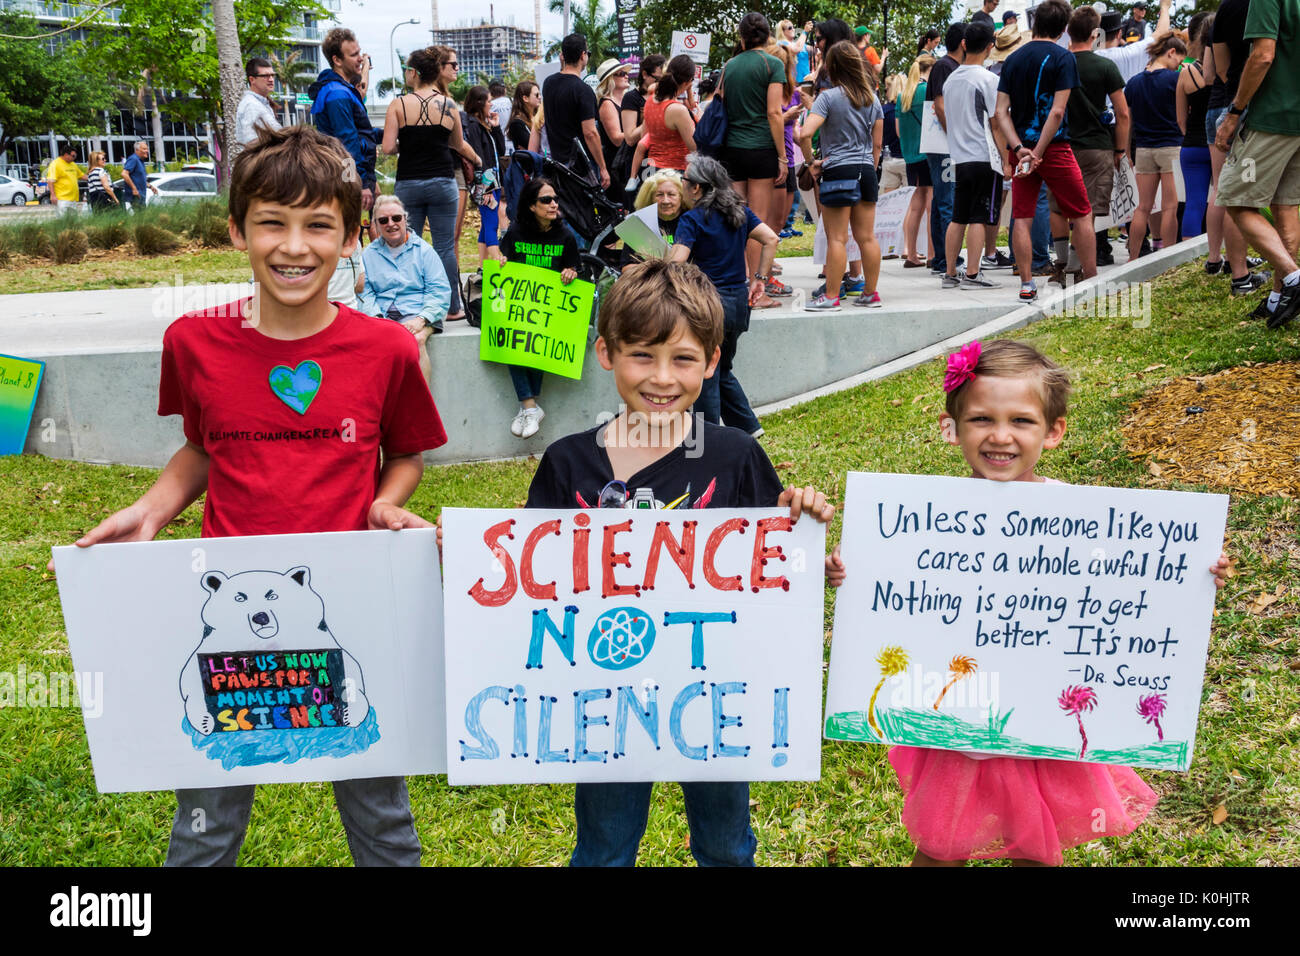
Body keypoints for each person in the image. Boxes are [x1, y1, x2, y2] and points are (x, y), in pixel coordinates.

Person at [59, 125, 447, 867]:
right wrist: (150, 509)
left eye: (317, 226)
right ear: (238, 228)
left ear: (352, 235)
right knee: (206, 818)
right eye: (272, 221)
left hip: (350, 612)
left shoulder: (389, 351)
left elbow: (405, 456)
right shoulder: (193, 341)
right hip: (231, 619)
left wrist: (387, 502)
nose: (293, 246)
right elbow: (205, 447)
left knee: (380, 815)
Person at [523, 256, 836, 866]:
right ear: (605, 353)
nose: (662, 377)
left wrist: (806, 536)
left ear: (713, 361)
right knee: (604, 848)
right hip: (604, 696)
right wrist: (478, 549)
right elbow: (529, 579)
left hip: (717, 697)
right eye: (642, 354)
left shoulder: (736, 454)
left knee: (726, 847)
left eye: (684, 358)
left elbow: (775, 569)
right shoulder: (567, 462)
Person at [876, 338, 1227, 866]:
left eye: (1021, 420)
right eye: (980, 420)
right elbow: (895, 593)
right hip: (959, 727)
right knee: (939, 847)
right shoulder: (926, 521)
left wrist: (1192, 572)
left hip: (1047, 729)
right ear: (951, 428)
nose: (1000, 436)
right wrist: (849, 572)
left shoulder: (1078, 519)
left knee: (1037, 850)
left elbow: (1131, 587)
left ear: (1053, 431)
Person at [994, 0, 1097, 303]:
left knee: (1022, 216)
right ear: (1064, 28)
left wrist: (1020, 149)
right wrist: (1038, 150)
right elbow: (1057, 112)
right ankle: (1091, 281)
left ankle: (1027, 284)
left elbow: (1001, 112)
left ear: (1035, 22)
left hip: (1021, 149)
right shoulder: (1063, 58)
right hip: (1054, 148)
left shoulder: (1012, 59)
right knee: (1082, 213)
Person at [669, 153, 775, 436]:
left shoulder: (692, 219)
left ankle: (708, 436)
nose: (681, 184)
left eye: (684, 180)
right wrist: (759, 279)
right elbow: (771, 239)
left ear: (697, 188)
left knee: (706, 371)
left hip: (709, 305)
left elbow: (677, 262)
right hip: (738, 302)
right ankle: (749, 428)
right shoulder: (739, 213)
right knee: (722, 368)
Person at [1214, 0, 1300, 328]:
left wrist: (1234, 112)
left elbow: (1263, 54)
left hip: (1271, 119)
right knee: (1286, 206)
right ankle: (1281, 297)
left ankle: (1293, 277)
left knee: (1236, 198)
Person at [383, 47, 477, 324]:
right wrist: (478, 159)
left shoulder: (398, 105)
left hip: (408, 183)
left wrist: (409, 143)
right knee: (445, 247)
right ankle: (452, 307)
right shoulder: (448, 105)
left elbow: (388, 147)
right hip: (443, 182)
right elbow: (457, 144)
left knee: (409, 245)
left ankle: (412, 307)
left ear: (413, 73)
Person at [799, 40, 885, 311]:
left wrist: (811, 161)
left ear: (832, 68)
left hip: (837, 170)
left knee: (837, 238)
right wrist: (869, 165)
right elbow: (877, 145)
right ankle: (870, 294)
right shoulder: (873, 98)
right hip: (866, 171)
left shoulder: (827, 98)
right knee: (867, 237)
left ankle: (831, 296)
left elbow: (804, 134)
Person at [494, 176, 581, 439]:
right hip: (518, 310)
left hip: (549, 313)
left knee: (538, 341)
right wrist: (501, 261)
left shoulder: (565, 236)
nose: (554, 204)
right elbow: (503, 261)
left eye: (555, 199)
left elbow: (575, 267)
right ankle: (530, 407)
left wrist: (571, 272)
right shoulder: (516, 233)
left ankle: (528, 408)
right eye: (546, 200)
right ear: (532, 206)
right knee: (513, 341)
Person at [721, 12, 788, 304]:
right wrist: (783, 157)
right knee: (757, 223)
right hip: (761, 148)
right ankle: (756, 288)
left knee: (737, 220)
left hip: (732, 149)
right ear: (767, 36)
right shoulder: (773, 64)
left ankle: (736, 283)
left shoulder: (730, 65)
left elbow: (721, 100)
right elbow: (774, 113)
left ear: (742, 36)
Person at [937, 21, 1007, 291]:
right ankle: (974, 274)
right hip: (984, 156)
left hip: (959, 157)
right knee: (979, 217)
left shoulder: (951, 79)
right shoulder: (989, 79)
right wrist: (1006, 159)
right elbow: (996, 122)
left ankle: (951, 272)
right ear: (990, 47)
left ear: (964, 44)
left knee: (958, 216)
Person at [1059, 6, 1130, 271]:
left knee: (1065, 211)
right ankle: (1086, 274)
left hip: (1064, 146)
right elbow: (1122, 113)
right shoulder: (1105, 66)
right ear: (1094, 34)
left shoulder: (1059, 64)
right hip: (1098, 147)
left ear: (1069, 32)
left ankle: (1068, 266)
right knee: (1086, 213)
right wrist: (1120, 150)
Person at [359, 193, 452, 387]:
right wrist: (377, 319)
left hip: (419, 313)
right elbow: (364, 292)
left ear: (405, 219)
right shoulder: (368, 255)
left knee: (416, 340)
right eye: (383, 220)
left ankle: (420, 404)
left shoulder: (424, 251)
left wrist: (421, 319)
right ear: (375, 225)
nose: (391, 224)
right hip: (381, 315)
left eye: (396, 218)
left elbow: (439, 291)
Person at [1204, 0, 1265, 286]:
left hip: (1228, 105)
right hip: (1257, 108)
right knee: (1240, 194)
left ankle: (1222, 260)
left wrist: (1237, 95)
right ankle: (1239, 272)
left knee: (1224, 188)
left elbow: (1220, 68)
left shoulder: (1226, 9)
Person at [1124, 33, 1187, 262]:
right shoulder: (1176, 79)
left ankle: (1133, 257)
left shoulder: (1133, 83)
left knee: (1143, 207)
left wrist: (1126, 151)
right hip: (1171, 147)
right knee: (1170, 206)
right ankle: (1168, 259)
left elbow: (1128, 121)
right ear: (1171, 52)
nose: (1178, 65)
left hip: (1143, 149)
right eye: (1178, 60)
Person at [310, 28, 380, 212]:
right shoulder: (337, 93)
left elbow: (357, 132)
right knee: (349, 235)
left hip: (344, 175)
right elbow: (345, 141)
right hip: (346, 179)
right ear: (337, 60)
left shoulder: (340, 89)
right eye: (354, 54)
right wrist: (359, 183)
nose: (361, 59)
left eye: (359, 52)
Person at [543, 34, 610, 189]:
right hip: (582, 166)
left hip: (558, 163)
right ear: (583, 55)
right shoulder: (583, 90)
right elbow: (590, 133)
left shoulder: (548, 83)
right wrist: (603, 167)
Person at [926, 23, 965, 276]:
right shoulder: (943, 66)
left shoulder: (953, 67)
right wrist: (954, 136)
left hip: (945, 144)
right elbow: (939, 106)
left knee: (943, 198)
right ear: (963, 42)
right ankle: (945, 258)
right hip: (942, 145)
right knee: (946, 199)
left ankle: (942, 256)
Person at [1176, 14, 1214, 243]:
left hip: (1192, 146)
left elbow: (1181, 119)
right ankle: (1218, 249)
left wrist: (1190, 135)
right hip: (1221, 144)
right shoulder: (1226, 73)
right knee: (1221, 200)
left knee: (1194, 202)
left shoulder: (1185, 73)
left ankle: (1188, 254)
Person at [631, 54, 697, 181]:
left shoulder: (650, 100)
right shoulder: (678, 110)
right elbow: (694, 148)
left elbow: (644, 135)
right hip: (673, 174)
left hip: (651, 171)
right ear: (687, 82)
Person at [462, 85, 508, 263]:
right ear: (479, 103)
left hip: (493, 179)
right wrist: (485, 187)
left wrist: (496, 128)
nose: (492, 105)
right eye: (489, 101)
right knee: (491, 222)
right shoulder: (473, 126)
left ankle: (483, 265)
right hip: (485, 181)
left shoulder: (484, 126)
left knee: (486, 224)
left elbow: (501, 150)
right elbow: (478, 157)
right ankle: (496, 259)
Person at [898, 55, 935, 267]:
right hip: (928, 153)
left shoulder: (904, 96)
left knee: (915, 206)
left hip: (910, 154)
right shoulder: (927, 92)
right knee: (932, 204)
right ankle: (931, 254)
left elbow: (898, 130)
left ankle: (911, 253)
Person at [594, 58, 631, 196]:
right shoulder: (607, 104)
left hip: (625, 162)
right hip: (616, 165)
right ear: (610, 79)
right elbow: (616, 139)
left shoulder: (624, 101)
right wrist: (642, 130)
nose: (626, 76)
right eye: (621, 73)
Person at [236, 57, 282, 154]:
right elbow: (252, 144)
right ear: (252, 79)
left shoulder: (261, 102)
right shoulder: (251, 105)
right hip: (261, 165)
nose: (271, 79)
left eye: (272, 75)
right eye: (265, 76)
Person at [620, 54, 666, 148]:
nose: (661, 84)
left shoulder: (665, 97)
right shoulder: (631, 97)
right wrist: (654, 114)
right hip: (639, 157)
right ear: (645, 74)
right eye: (658, 79)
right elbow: (630, 139)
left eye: (665, 80)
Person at [122, 140, 159, 210]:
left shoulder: (140, 161)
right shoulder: (133, 159)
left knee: (141, 217)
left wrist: (150, 186)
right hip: (135, 195)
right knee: (140, 217)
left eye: (147, 149)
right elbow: (124, 174)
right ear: (137, 150)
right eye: (144, 149)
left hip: (141, 194)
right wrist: (134, 189)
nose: (147, 151)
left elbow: (139, 178)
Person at [47, 144, 84, 213]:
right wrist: (53, 195)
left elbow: (81, 175)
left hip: (73, 199)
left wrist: (95, 176)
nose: (74, 158)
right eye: (73, 156)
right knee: (63, 221)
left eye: (75, 156)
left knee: (73, 221)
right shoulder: (55, 164)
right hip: (61, 199)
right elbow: (50, 181)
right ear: (66, 154)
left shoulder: (73, 164)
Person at [507, 81, 541, 153]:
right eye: (537, 95)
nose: (540, 97)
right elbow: (534, 147)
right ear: (525, 98)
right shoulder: (517, 123)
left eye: (540, 94)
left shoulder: (538, 117)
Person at [489, 80, 513, 150]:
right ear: (504, 90)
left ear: (490, 92)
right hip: (516, 145)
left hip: (500, 146)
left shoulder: (490, 105)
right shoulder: (512, 101)